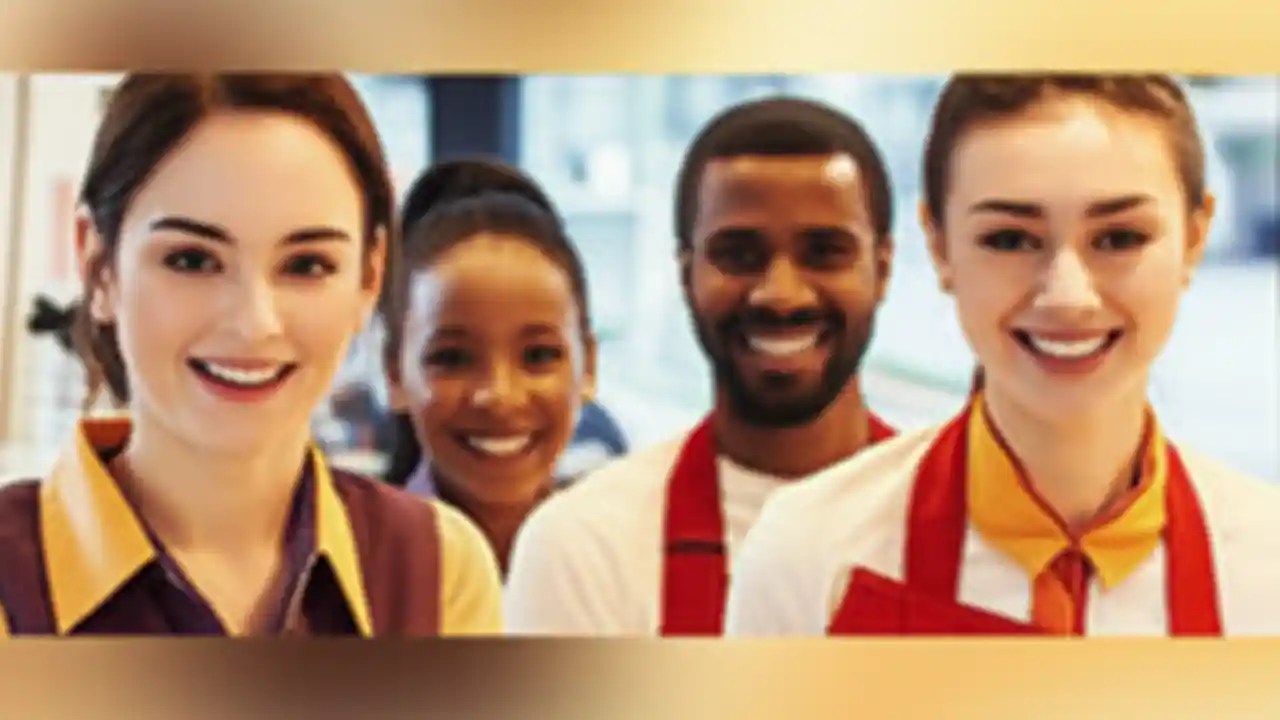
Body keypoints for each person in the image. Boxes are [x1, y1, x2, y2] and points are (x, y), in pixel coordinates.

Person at [725, 74, 1280, 637]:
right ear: (940, 246)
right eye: (1010, 240)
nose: (1068, 297)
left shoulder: (1266, 568)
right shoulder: (808, 554)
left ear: (1193, 239)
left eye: (1119, 238)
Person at [0, 74, 501, 636]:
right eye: (192, 260)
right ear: (99, 266)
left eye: (307, 265)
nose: (254, 324)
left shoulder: (435, 568)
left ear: (370, 275)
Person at [504, 97, 899, 635]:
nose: (780, 294)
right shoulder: (582, 548)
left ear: (883, 268)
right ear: (686, 273)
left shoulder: (973, 532)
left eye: (824, 252)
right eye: (739, 255)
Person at [380, 158, 598, 577]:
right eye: (452, 358)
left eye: (537, 356)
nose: (499, 394)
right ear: (395, 374)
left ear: (588, 366)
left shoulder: (619, 558)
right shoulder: (342, 569)